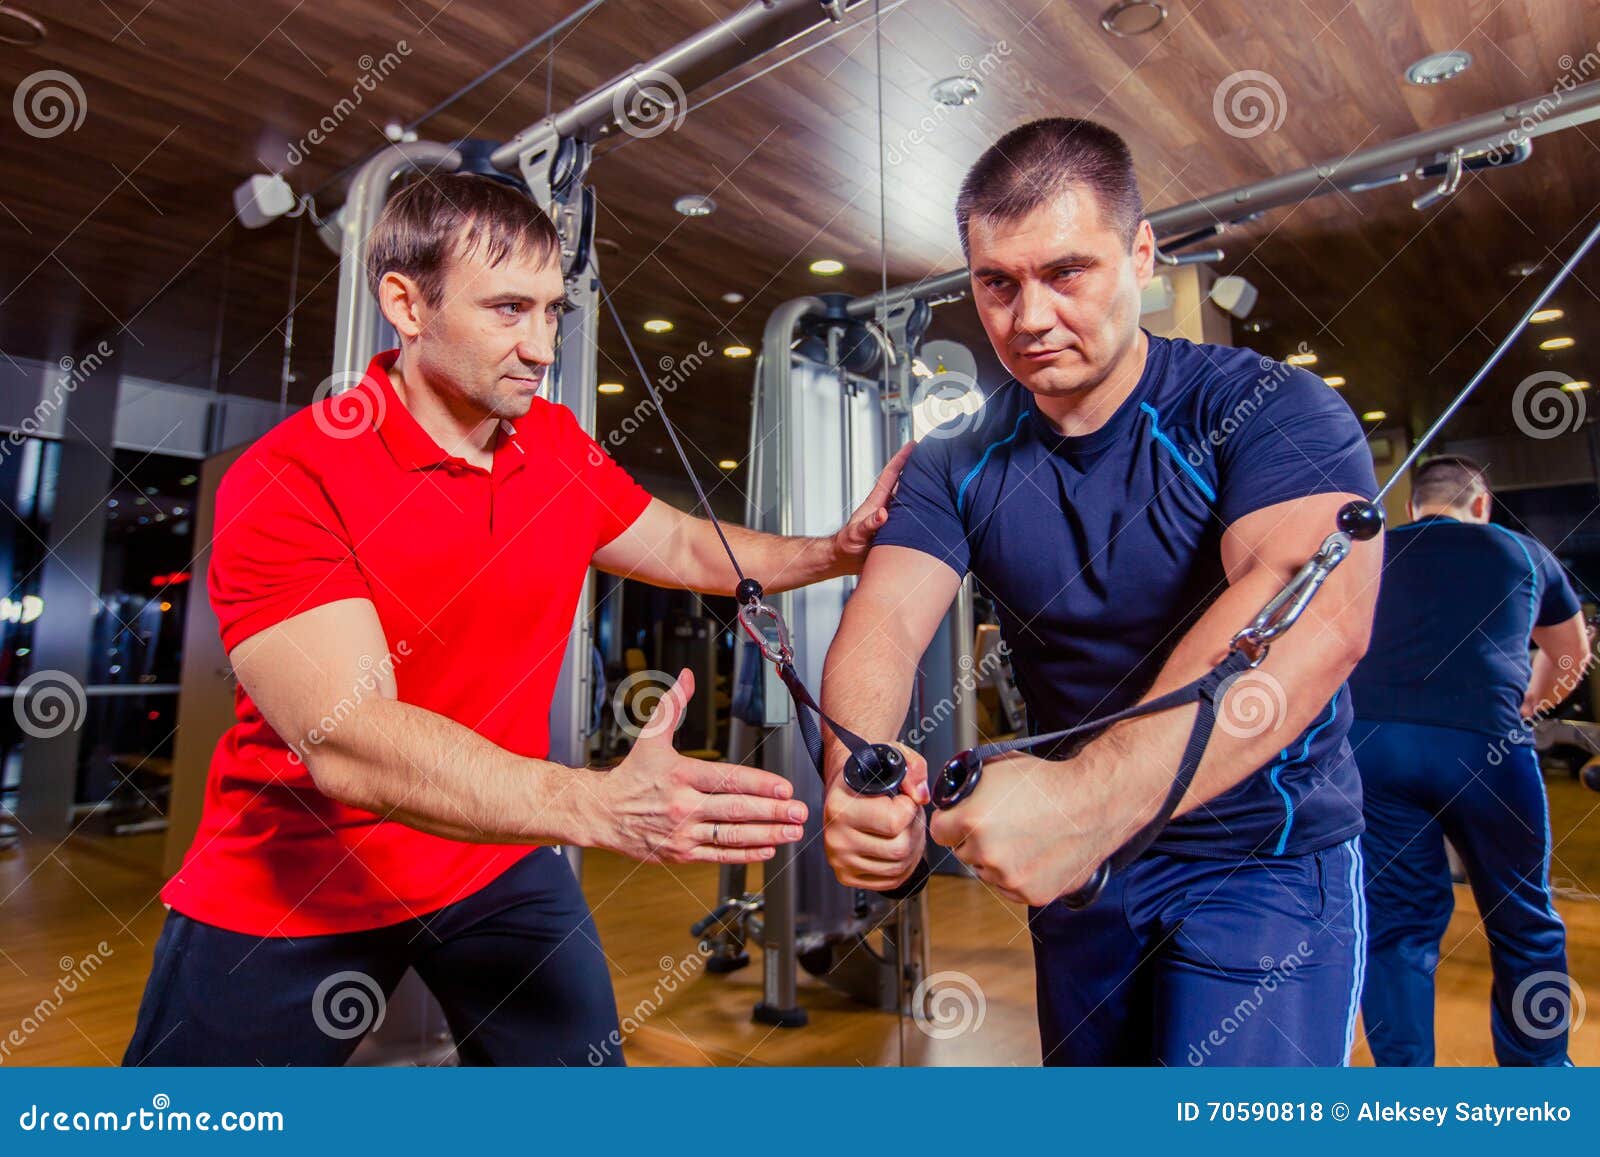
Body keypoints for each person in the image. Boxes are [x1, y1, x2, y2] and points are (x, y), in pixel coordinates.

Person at [123, 173, 908, 1066]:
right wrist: (594, 802)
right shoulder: (291, 476)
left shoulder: (556, 445)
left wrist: (835, 550)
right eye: (507, 309)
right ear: (405, 304)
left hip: (492, 856)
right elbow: (346, 739)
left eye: (551, 311)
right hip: (301, 880)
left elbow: (690, 550)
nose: (541, 345)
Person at [818, 117, 1383, 1066]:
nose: (1028, 317)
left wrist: (1087, 799)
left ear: (1141, 252)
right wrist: (861, 773)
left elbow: (1312, 614)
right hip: (1087, 888)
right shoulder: (953, 460)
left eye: (1065, 272)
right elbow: (881, 627)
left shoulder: (1271, 409)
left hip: (1262, 865)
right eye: (997, 283)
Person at [1347, 454, 1590, 1065]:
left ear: (1412, 507)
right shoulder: (1522, 552)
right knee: (1524, 921)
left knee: (1396, 930)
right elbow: (1569, 654)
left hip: (1375, 749)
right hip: (1485, 747)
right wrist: (1531, 702)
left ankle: (1407, 1092)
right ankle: (1537, 1084)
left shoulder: (1371, 551)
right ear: (1481, 505)